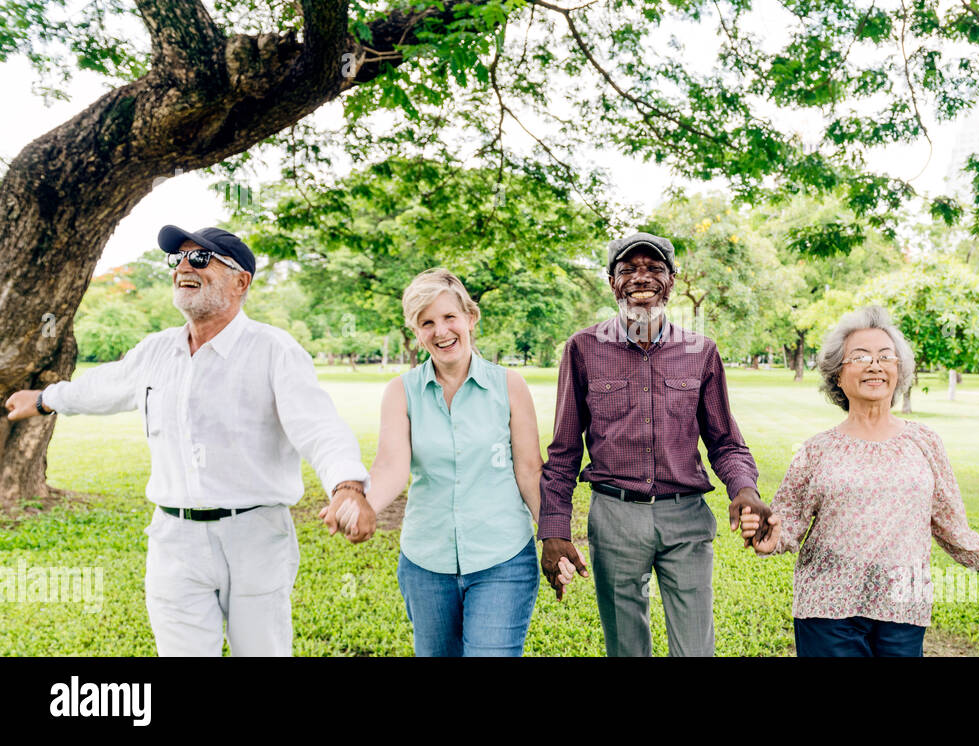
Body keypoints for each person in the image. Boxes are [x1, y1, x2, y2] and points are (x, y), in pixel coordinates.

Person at [4, 225, 372, 657]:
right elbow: (104, 387)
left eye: (200, 259)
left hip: (255, 536)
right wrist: (46, 398)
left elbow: (319, 426)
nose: (183, 267)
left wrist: (347, 486)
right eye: (177, 260)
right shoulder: (157, 350)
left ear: (241, 282)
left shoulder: (274, 350)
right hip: (173, 539)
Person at [740, 306, 979, 657]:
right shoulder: (817, 449)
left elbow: (956, 533)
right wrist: (768, 538)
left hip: (903, 609)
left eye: (885, 356)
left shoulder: (924, 442)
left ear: (899, 370)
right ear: (837, 375)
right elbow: (785, 525)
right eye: (860, 357)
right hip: (827, 613)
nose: (875, 365)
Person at [538, 231, 771, 657]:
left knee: (695, 649)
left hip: (686, 518)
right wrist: (554, 529)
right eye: (628, 269)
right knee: (625, 648)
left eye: (654, 268)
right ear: (612, 282)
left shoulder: (701, 351)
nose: (641, 277)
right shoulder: (583, 349)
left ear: (672, 281)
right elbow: (564, 452)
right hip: (614, 518)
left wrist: (745, 490)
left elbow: (725, 442)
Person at [323, 268, 543, 657]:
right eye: (427, 323)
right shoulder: (401, 391)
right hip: (426, 563)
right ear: (417, 332)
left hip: (503, 559)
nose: (440, 331)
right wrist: (362, 508)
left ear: (470, 318)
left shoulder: (510, 385)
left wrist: (553, 534)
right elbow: (392, 465)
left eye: (449, 318)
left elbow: (528, 470)